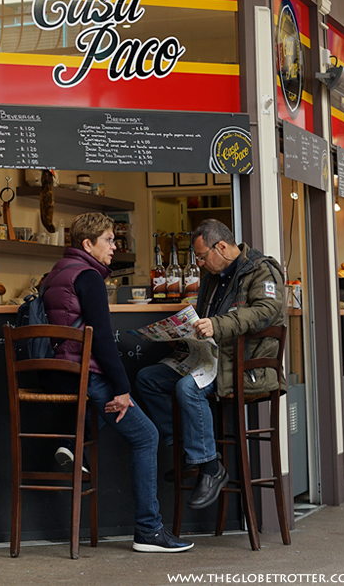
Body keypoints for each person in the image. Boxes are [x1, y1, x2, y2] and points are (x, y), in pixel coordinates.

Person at [42, 211, 193, 553]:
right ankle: (148, 530)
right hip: (87, 376)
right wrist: (123, 389)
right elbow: (101, 342)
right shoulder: (89, 278)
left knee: (111, 423)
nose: (114, 247)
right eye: (108, 240)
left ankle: (75, 440)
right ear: (87, 244)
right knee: (147, 435)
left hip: (60, 375)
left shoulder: (55, 273)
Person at [135, 219, 286, 510]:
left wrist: (217, 325)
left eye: (202, 256)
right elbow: (202, 320)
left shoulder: (262, 269)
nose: (201, 263)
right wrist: (181, 335)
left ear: (221, 246)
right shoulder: (211, 280)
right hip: (209, 358)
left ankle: (209, 468)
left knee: (187, 388)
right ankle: (187, 452)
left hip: (244, 365)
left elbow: (267, 312)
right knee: (148, 378)